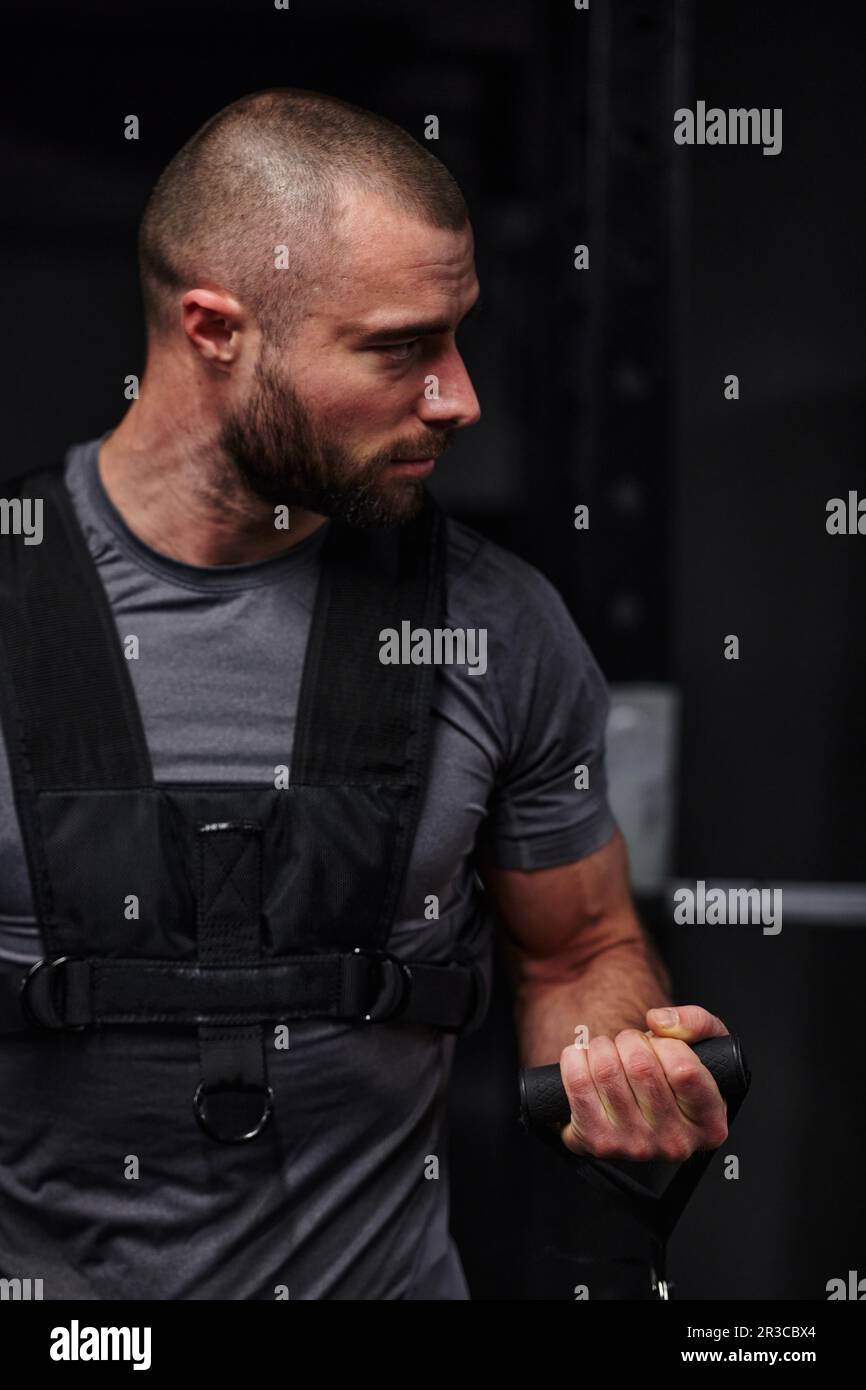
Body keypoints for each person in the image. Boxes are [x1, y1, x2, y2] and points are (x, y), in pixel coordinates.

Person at [0, 88, 728, 1301]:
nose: (457, 397)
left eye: (455, 338)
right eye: (398, 348)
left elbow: (579, 950)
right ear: (213, 329)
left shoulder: (497, 625)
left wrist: (616, 1059)